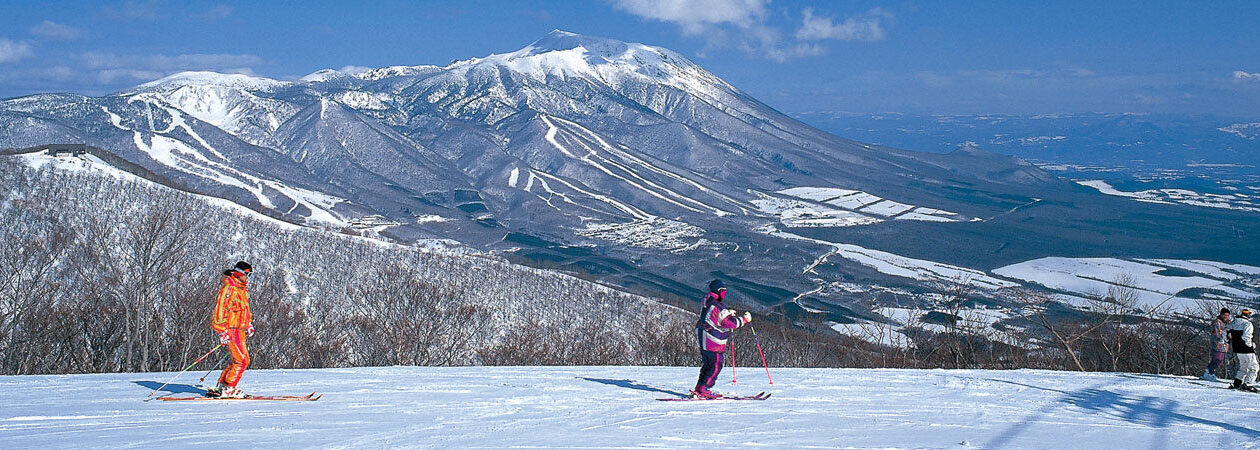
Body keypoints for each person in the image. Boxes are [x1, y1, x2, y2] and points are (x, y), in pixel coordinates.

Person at [692, 279, 752, 399]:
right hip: (712, 339)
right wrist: (744, 320)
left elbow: (714, 316)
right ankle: (705, 389)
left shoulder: (708, 301)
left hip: (703, 335)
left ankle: (700, 388)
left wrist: (727, 313)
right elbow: (730, 323)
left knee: (708, 364)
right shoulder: (717, 305)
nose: (724, 293)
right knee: (716, 364)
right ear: (718, 291)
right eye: (723, 291)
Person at [208, 261, 254, 398]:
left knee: (238, 359)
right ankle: (229, 387)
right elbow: (220, 311)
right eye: (247, 274)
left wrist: (248, 324)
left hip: (239, 330)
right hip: (231, 329)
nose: (248, 277)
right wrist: (221, 330)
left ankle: (223, 386)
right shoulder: (229, 289)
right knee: (242, 360)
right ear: (239, 273)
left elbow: (244, 310)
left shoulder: (241, 290)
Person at [1228, 308, 1257, 392]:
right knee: (1254, 367)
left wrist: (1228, 339)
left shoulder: (1233, 323)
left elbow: (1226, 331)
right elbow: (1246, 337)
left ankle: (1237, 382)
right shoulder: (1248, 324)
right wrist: (1251, 346)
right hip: (1246, 349)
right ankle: (1248, 384)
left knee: (1243, 366)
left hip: (1237, 349)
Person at [1203, 308, 1231, 381]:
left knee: (1220, 361)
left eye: (1227, 315)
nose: (1226, 317)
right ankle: (1209, 372)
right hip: (1218, 343)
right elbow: (1218, 331)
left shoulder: (1227, 323)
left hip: (1224, 344)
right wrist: (1220, 338)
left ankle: (1210, 372)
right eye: (1225, 315)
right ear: (1221, 314)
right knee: (1217, 359)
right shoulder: (1217, 322)